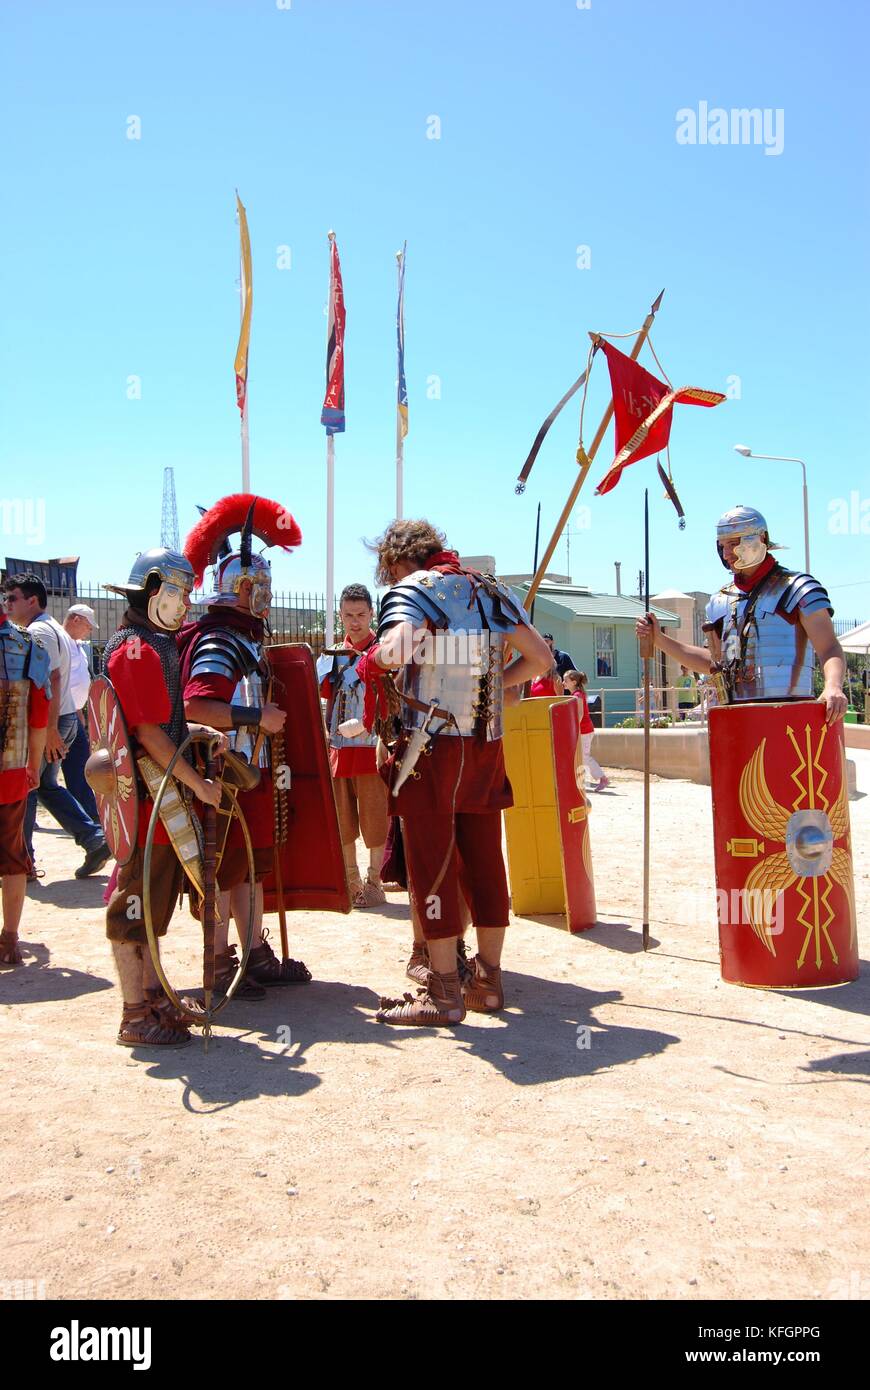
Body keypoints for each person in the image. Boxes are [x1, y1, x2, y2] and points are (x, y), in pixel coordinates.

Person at [358, 519, 552, 1026]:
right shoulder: (488, 590)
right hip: (484, 743)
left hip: (430, 746)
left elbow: (397, 649)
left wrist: (376, 659)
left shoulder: (412, 591)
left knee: (433, 862)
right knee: (485, 858)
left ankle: (443, 991)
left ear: (399, 561)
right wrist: (499, 685)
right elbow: (541, 658)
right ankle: (487, 981)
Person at [178, 493, 311, 997]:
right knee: (223, 870)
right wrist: (258, 717)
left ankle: (254, 954)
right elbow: (195, 707)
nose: (268, 595)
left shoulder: (246, 636)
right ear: (238, 588)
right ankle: (216, 963)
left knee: (251, 864)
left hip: (247, 774)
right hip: (220, 774)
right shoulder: (220, 639)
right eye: (258, 586)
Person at [101, 548, 224, 1046]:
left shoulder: (155, 645)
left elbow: (161, 722)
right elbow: (148, 735)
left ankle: (154, 996)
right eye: (180, 594)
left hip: (161, 791)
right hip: (145, 796)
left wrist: (192, 729)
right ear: (156, 591)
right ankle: (134, 1014)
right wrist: (200, 786)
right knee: (134, 907)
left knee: (153, 905)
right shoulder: (137, 650)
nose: (186, 605)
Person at [635, 505, 846, 719]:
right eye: (722, 545)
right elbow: (713, 663)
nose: (726, 553)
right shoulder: (720, 601)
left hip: (791, 715)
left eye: (734, 544)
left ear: (761, 539)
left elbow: (828, 647)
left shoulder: (798, 589)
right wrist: (659, 639)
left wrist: (833, 686)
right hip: (738, 718)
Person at [3, 574, 110, 881]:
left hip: (51, 721)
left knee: (29, 786)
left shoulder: (38, 630)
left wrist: (48, 729)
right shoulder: (49, 627)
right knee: (45, 786)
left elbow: (52, 678)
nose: (7, 604)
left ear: (32, 600)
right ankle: (93, 839)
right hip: (59, 718)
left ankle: (23, 863)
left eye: (13, 598)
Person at [317, 583, 390, 907]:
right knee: (342, 822)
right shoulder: (332, 655)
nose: (355, 621)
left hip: (373, 749)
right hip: (339, 752)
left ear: (371, 613)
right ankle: (351, 882)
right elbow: (324, 701)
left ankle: (375, 882)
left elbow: (392, 700)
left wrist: (367, 725)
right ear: (341, 615)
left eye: (361, 614)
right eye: (348, 615)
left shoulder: (385, 651)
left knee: (376, 820)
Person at [0, 589, 51, 965]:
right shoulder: (27, 646)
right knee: (12, 855)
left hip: (13, 770)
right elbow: (37, 718)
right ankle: (9, 939)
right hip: (11, 770)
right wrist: (33, 765)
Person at [60, 604, 99, 820]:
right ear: (75, 619)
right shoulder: (59, 641)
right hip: (61, 715)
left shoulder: (78, 646)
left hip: (72, 715)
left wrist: (80, 714)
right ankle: (89, 818)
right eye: (88, 624)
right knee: (66, 771)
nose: (90, 630)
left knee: (81, 767)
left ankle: (90, 816)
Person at [562, 669, 609, 791]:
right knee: (580, 756)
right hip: (583, 730)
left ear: (573, 682)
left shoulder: (577, 695)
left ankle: (602, 778)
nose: (563, 683)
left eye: (565, 680)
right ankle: (580, 781)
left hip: (584, 731)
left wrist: (574, 730)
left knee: (584, 756)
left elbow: (580, 714)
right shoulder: (576, 694)